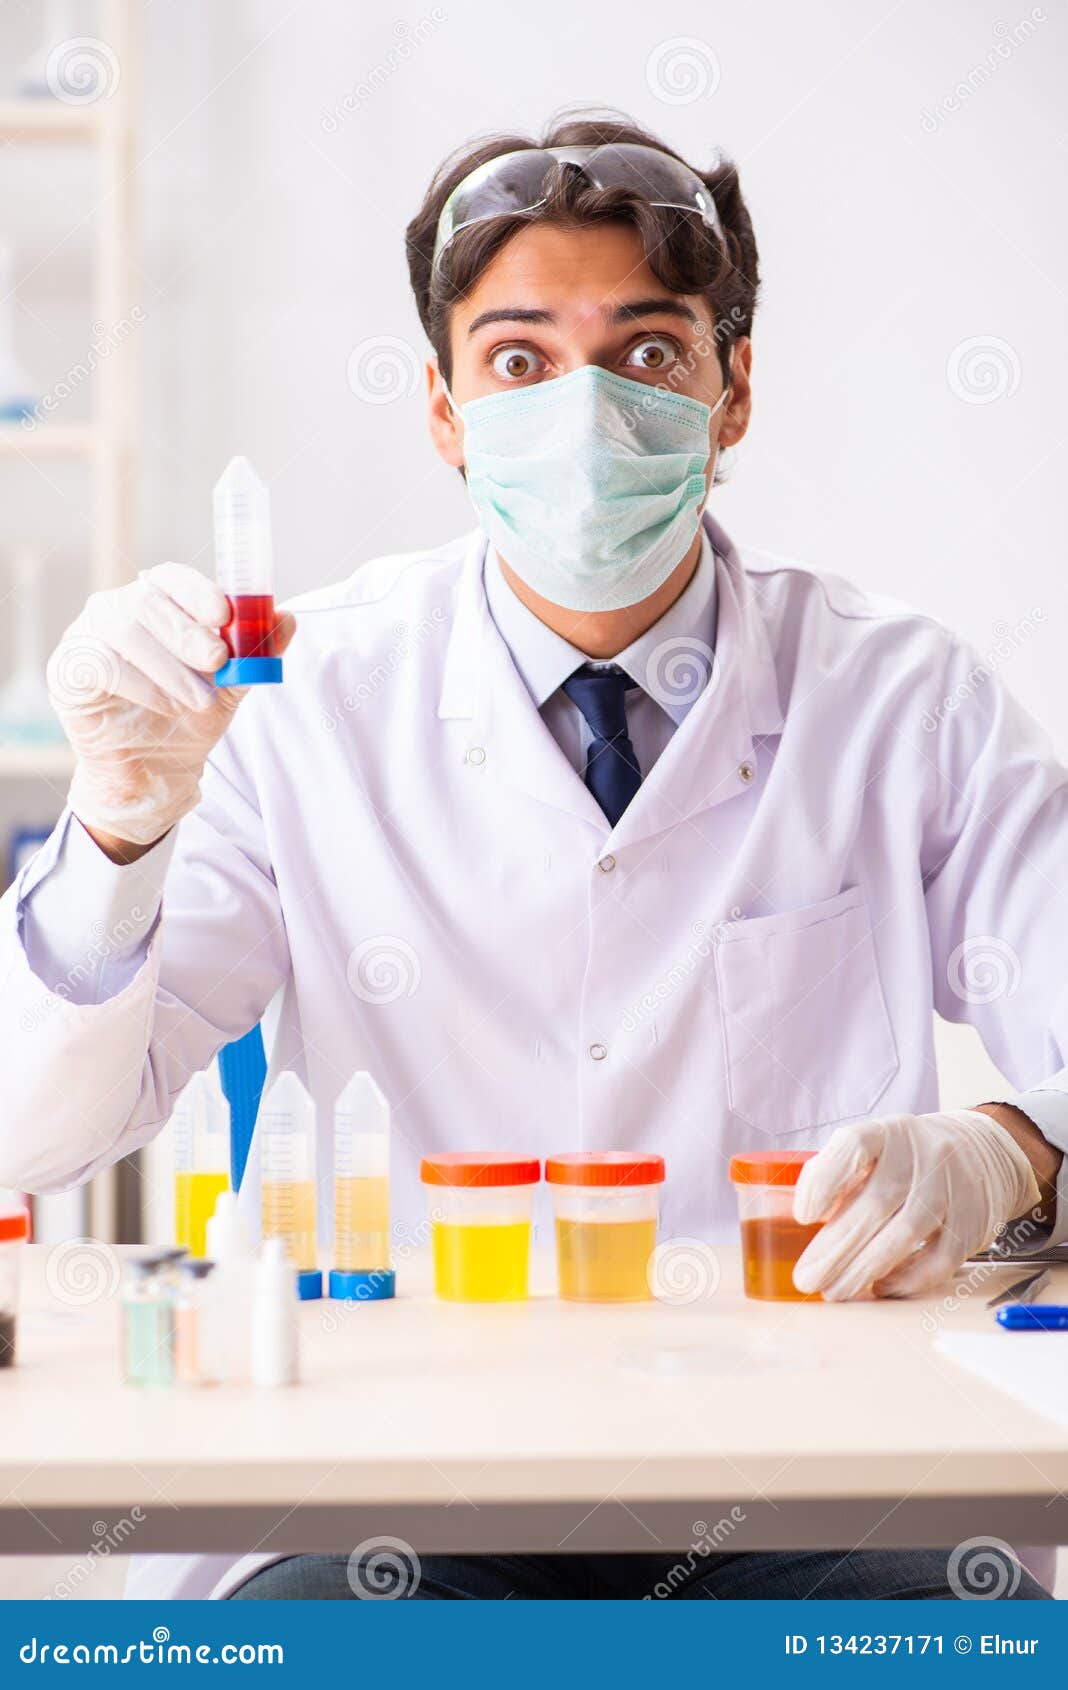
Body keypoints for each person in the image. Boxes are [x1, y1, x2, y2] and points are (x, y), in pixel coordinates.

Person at [0, 113, 1062, 1601]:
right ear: (442, 410)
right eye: (517, 362)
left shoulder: (903, 698)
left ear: (731, 389)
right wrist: (118, 822)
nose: (583, 414)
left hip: (807, 1473)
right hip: (385, 1481)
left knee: (960, 1621)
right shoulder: (299, 704)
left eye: (645, 353)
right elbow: (31, 1135)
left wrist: (1013, 1153)